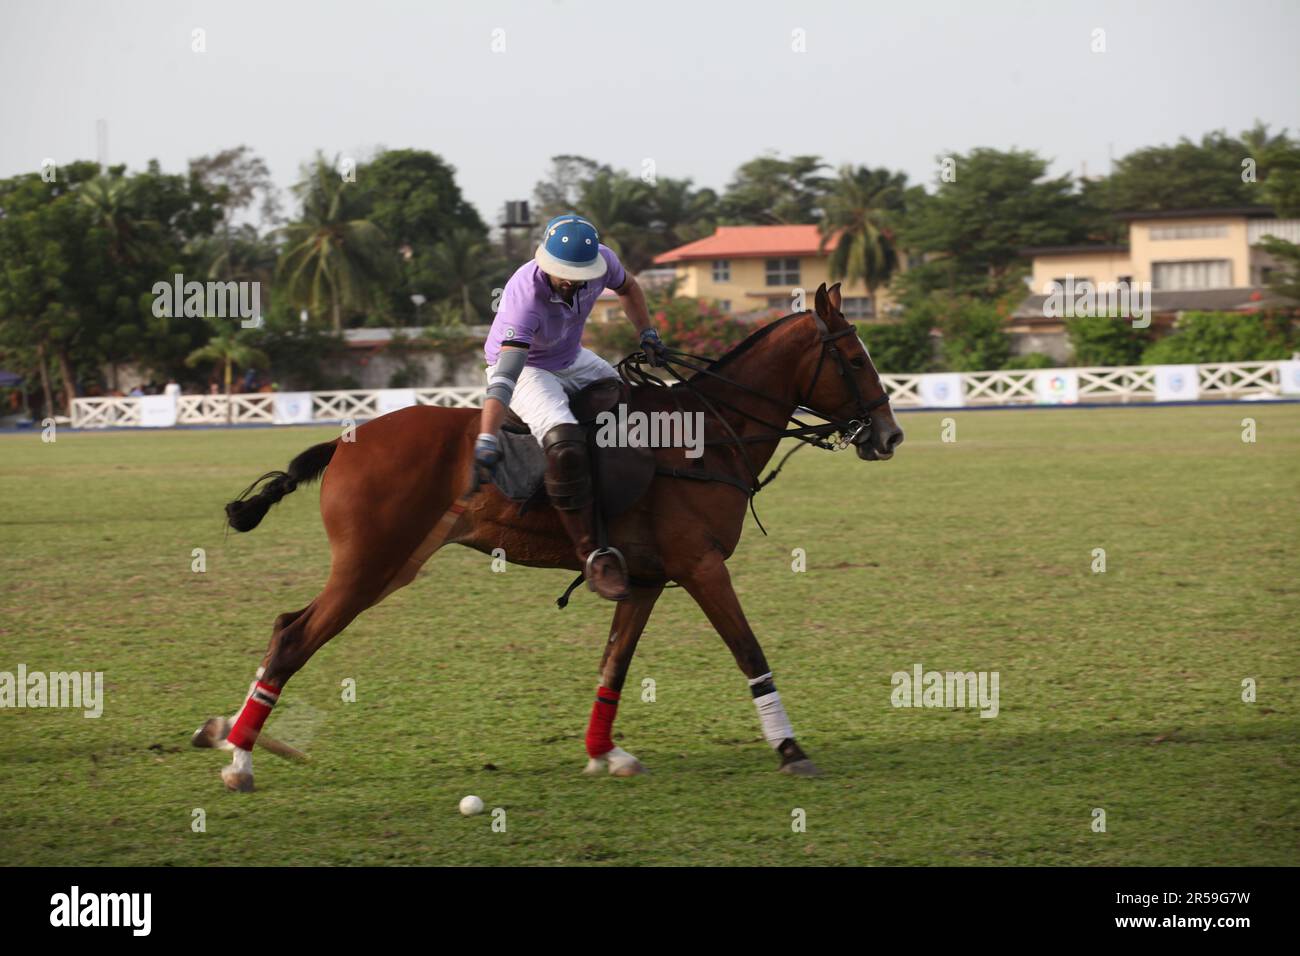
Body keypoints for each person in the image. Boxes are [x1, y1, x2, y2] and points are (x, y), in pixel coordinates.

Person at [475, 214, 669, 601]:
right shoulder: (524, 296)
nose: (570, 280)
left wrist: (646, 331)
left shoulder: (604, 262)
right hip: (527, 366)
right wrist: (487, 433)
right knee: (564, 438)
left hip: (570, 357)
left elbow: (630, 288)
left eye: (578, 273)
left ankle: (620, 497)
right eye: (563, 272)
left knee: (629, 400)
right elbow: (506, 375)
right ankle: (591, 552)